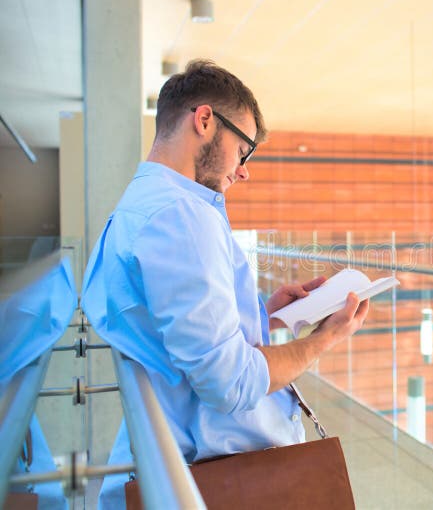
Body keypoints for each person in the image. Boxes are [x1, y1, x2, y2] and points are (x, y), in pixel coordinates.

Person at [81, 59, 368, 508]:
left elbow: (170, 330)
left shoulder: (141, 203)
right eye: (244, 149)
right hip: (219, 476)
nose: (244, 169)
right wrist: (322, 341)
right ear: (204, 120)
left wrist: (263, 314)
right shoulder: (182, 217)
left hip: (184, 462)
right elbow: (228, 382)